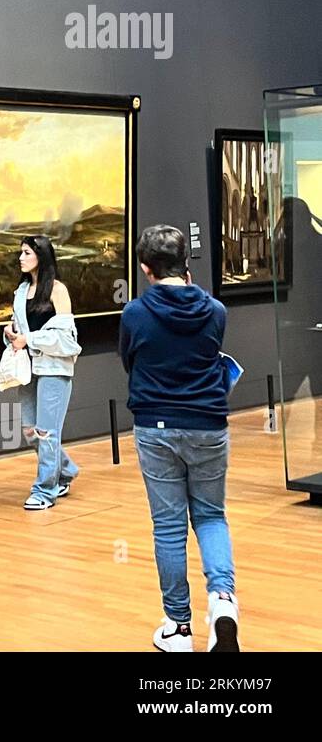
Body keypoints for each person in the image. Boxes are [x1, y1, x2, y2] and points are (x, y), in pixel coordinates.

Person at [120, 224, 239, 653]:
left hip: (156, 427)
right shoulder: (215, 310)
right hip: (209, 424)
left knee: (169, 527)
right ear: (185, 264)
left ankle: (179, 627)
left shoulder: (134, 313)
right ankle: (223, 602)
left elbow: (129, 359)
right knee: (210, 517)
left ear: (146, 268)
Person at [4, 235, 82, 510]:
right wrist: (11, 335)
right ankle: (66, 470)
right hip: (28, 369)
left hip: (54, 369)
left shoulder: (58, 290)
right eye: (20, 253)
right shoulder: (20, 292)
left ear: (41, 256)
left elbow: (66, 338)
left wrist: (30, 339)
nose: (21, 258)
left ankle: (45, 491)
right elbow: (19, 330)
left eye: (26, 253)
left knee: (47, 432)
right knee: (30, 431)